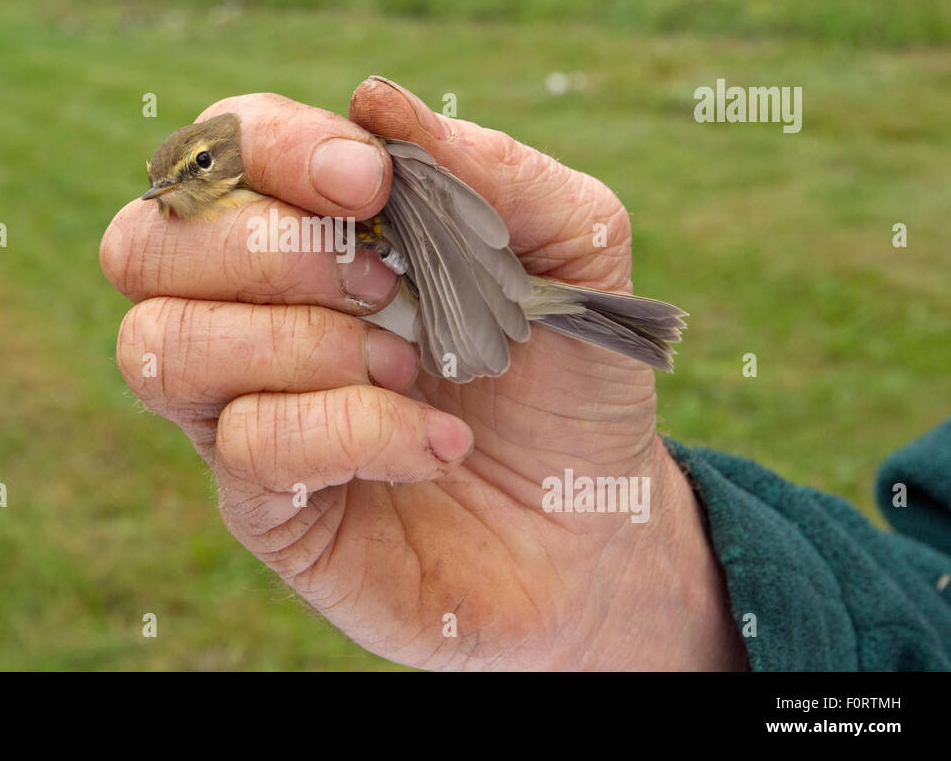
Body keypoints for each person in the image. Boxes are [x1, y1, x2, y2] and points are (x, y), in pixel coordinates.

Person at [99, 76, 951, 670]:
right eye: (164, 182)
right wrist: (622, 584)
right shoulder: (258, 216)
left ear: (226, 162)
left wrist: (424, 245)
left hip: (445, 305)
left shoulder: (299, 204)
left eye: (197, 169)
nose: (171, 193)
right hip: (444, 332)